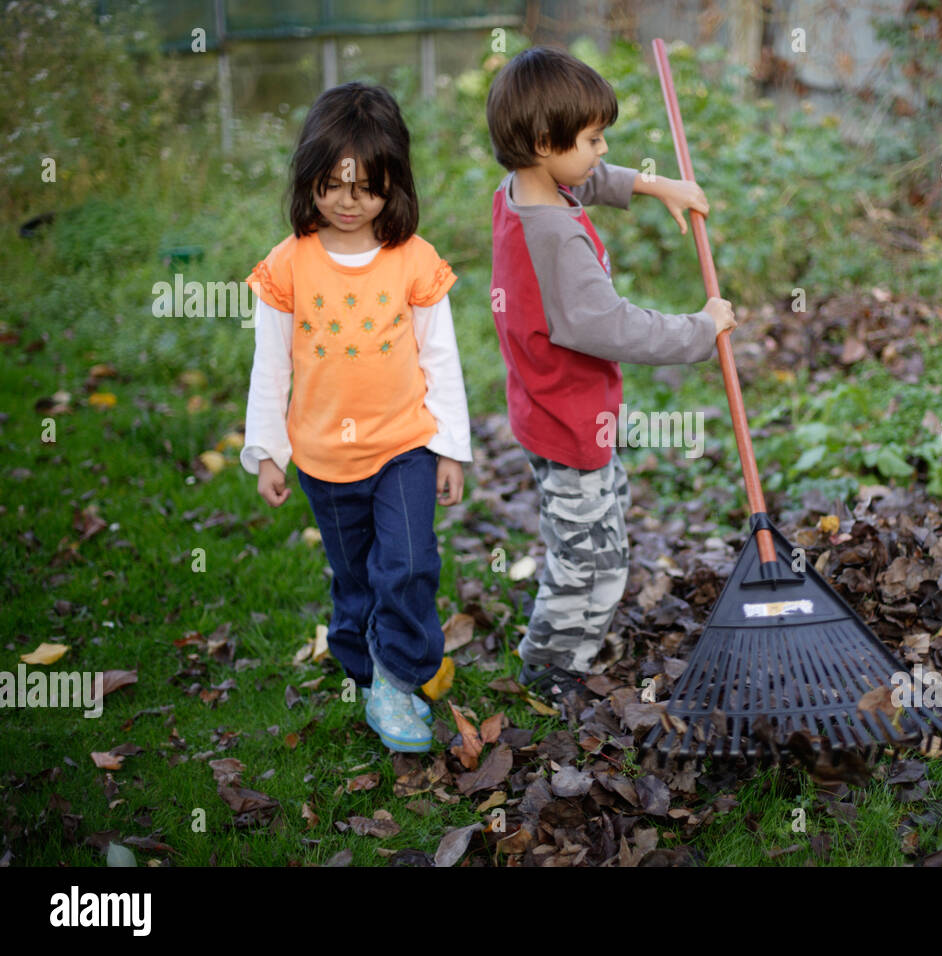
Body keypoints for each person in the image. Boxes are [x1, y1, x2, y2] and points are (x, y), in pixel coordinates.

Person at [485, 46, 737, 704]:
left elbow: (584, 180)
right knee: (586, 560)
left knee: (599, 525)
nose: (602, 150)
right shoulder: (558, 241)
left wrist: (653, 186)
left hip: (553, 410)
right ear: (545, 141)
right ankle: (551, 670)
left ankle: (581, 635)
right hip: (568, 420)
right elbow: (613, 326)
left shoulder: (520, 192)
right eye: (594, 139)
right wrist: (700, 328)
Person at [240, 82, 471, 753]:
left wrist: (450, 447)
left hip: (405, 444)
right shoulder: (288, 266)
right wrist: (267, 449)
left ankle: (401, 674)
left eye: (367, 187)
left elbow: (442, 359)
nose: (349, 202)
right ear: (309, 179)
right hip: (322, 457)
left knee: (406, 564)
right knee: (356, 577)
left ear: (393, 184)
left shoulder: (414, 260)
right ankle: (365, 667)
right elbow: (271, 368)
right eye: (333, 184)